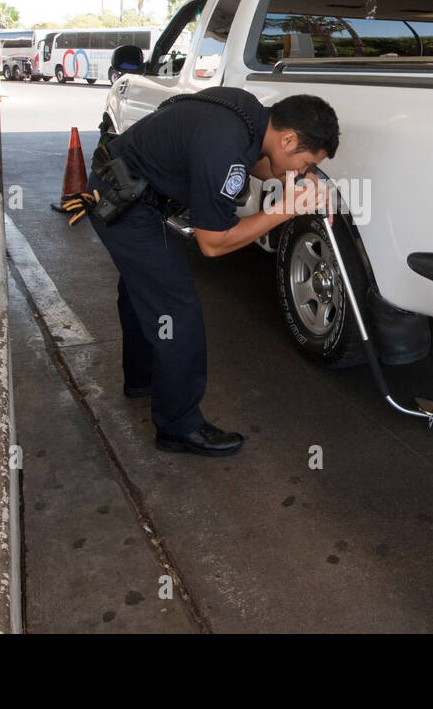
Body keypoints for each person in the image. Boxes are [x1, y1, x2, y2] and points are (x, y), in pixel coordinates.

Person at [81, 87, 339, 457]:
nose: (302, 170)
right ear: (288, 138)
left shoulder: (249, 117)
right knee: (177, 309)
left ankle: (142, 378)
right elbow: (213, 244)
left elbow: (262, 165)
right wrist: (284, 210)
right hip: (123, 204)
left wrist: (305, 178)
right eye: (305, 162)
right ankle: (179, 426)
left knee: (142, 287)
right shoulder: (224, 143)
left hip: (125, 186)